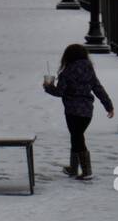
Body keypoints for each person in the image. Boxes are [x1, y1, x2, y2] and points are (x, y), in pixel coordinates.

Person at [44, 44, 114, 180]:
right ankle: (73, 168)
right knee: (76, 136)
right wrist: (108, 105)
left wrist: (48, 87)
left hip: (72, 111)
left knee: (77, 138)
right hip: (87, 111)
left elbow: (60, 92)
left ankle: (86, 171)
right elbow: (97, 88)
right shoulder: (89, 69)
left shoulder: (66, 72)